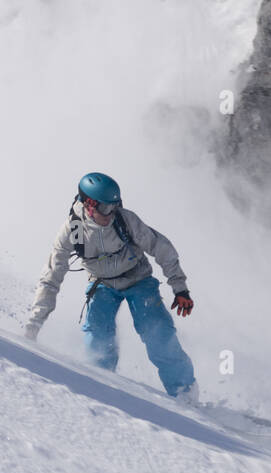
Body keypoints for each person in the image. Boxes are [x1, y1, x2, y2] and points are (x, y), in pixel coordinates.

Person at [24, 172, 197, 401]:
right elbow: (51, 276)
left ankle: (185, 393)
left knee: (158, 334)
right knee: (97, 336)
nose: (111, 213)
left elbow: (161, 247)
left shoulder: (126, 220)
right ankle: (104, 387)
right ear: (89, 204)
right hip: (102, 284)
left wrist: (180, 288)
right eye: (106, 208)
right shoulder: (73, 230)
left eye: (115, 206)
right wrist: (34, 324)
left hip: (138, 280)